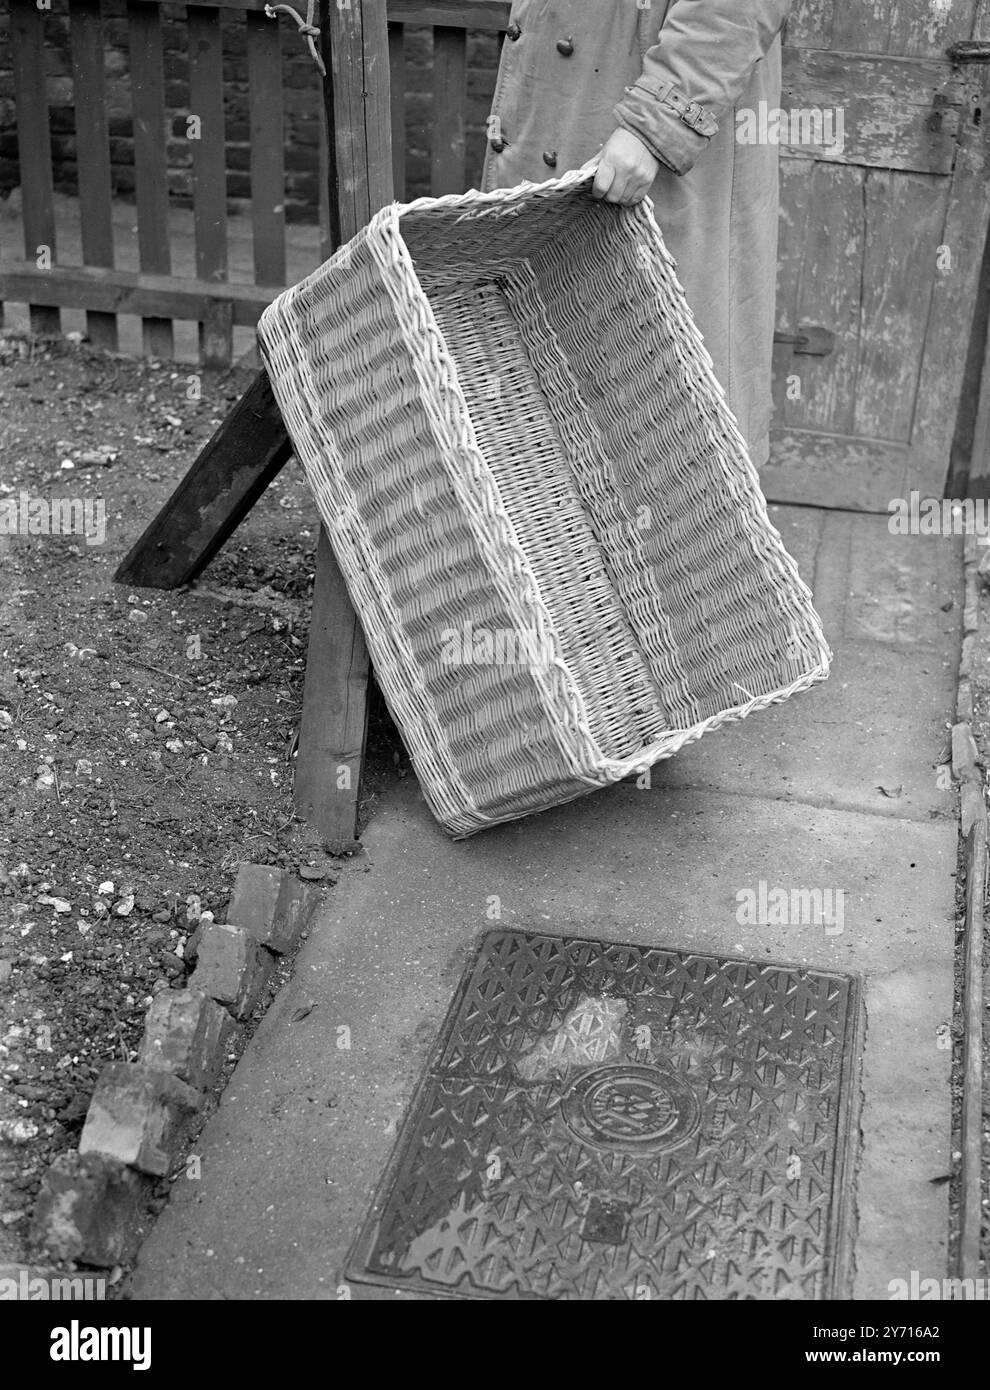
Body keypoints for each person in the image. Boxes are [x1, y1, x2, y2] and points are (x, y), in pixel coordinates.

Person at [482, 0, 792, 468]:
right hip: (574, 90)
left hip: (646, 111)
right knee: (547, 390)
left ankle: (687, 535)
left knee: (666, 405)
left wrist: (655, 125)